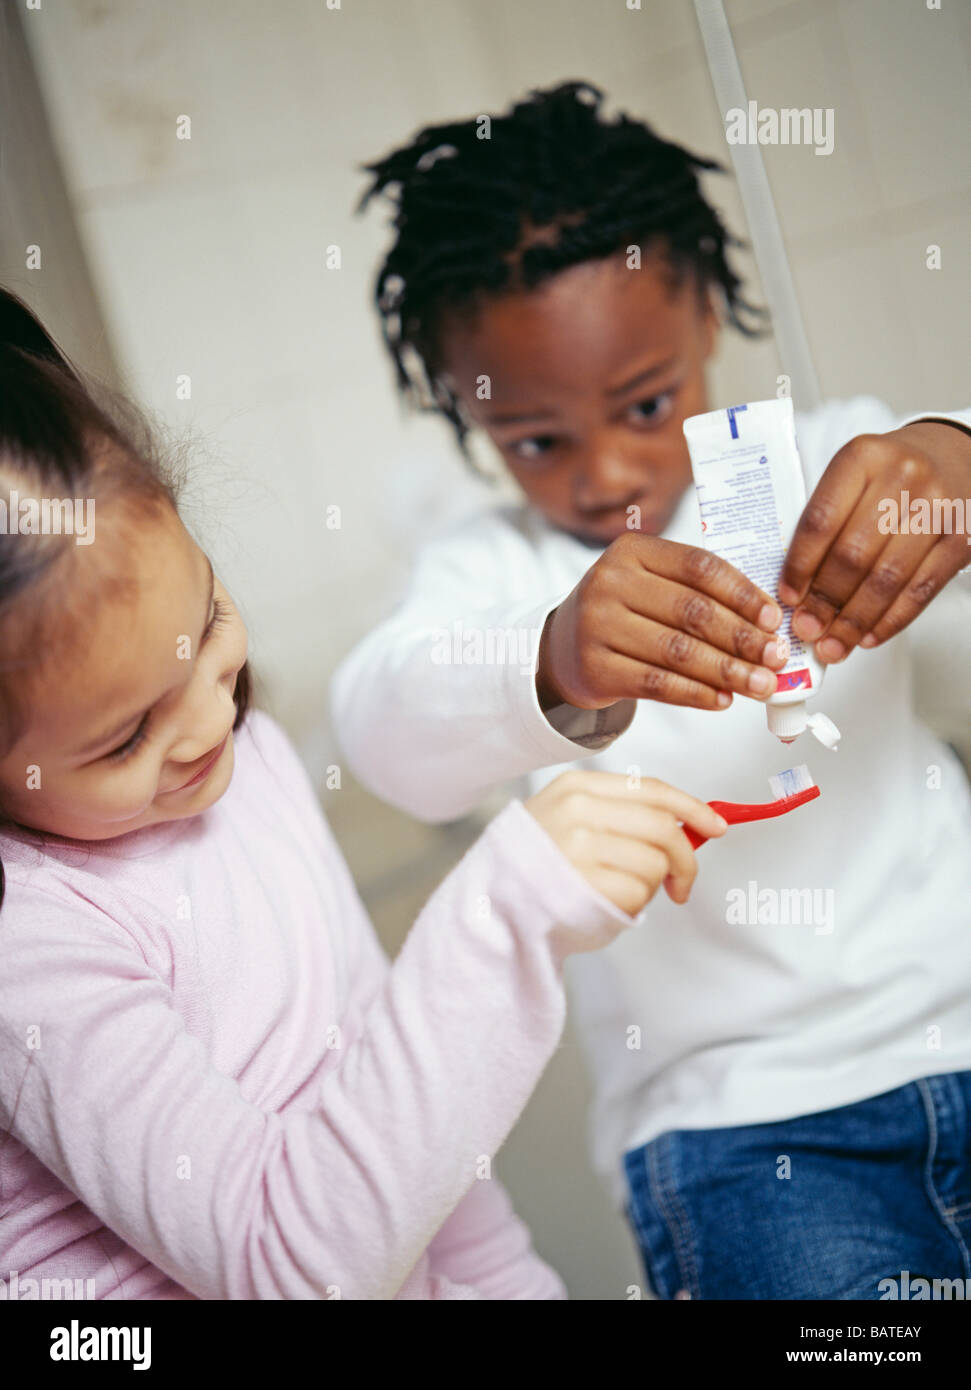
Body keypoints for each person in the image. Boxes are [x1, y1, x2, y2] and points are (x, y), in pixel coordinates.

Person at [332, 81, 971, 1299]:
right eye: (534, 439)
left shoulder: (834, 458)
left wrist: (954, 458)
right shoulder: (492, 575)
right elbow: (383, 732)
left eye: (641, 403)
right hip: (744, 1127)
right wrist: (549, 652)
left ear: (707, 323)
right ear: (466, 415)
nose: (609, 471)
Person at [0, 286, 728, 1300]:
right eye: (126, 734)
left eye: (207, 625)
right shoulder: (30, 949)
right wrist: (502, 912)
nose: (210, 725)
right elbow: (283, 1269)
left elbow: (399, 1116)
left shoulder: (248, 762)